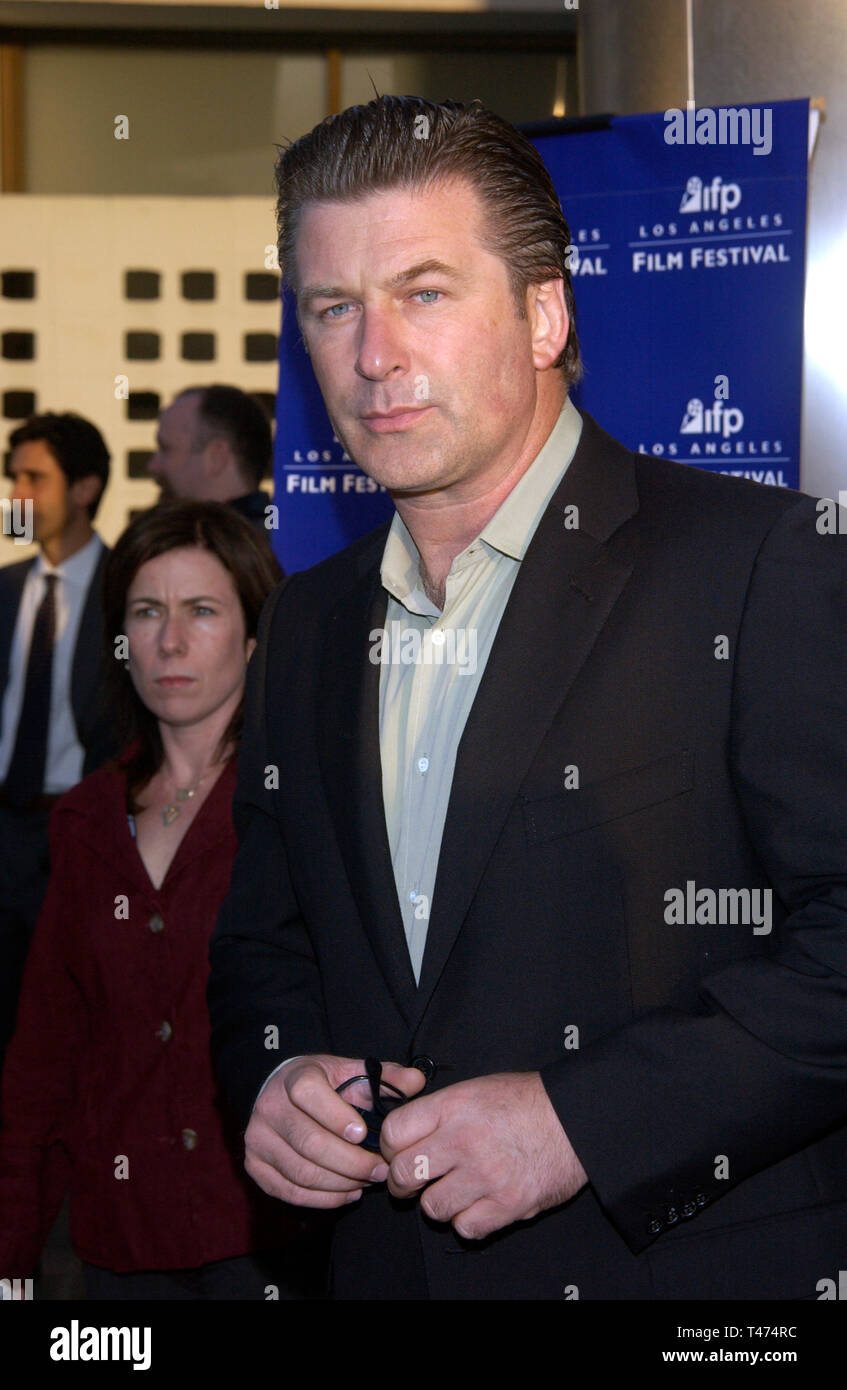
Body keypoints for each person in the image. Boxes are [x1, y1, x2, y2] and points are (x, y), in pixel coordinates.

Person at [207, 96, 847, 1300]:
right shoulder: (306, 619)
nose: (372, 353)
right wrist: (277, 1077)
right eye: (333, 307)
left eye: (424, 292)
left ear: (544, 311)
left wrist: (581, 1122)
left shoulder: (761, 563)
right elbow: (263, 945)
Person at [0, 501, 326, 1299]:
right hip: (122, 1245)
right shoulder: (84, 821)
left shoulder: (305, 803)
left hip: (273, 1238)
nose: (168, 642)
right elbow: (47, 1051)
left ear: (254, 637)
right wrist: (12, 1255)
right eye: (146, 613)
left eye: (201, 612)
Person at [0, 412, 116, 1072]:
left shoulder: (124, 590)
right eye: (13, 476)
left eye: (33, 477)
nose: (16, 493)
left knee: (68, 1027)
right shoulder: (5, 588)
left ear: (84, 488)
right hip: (3, 826)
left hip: (77, 835)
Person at [148, 385, 279, 541]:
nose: (153, 466)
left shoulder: (217, 548)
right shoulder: (281, 542)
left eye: (166, 449)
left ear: (216, 457)